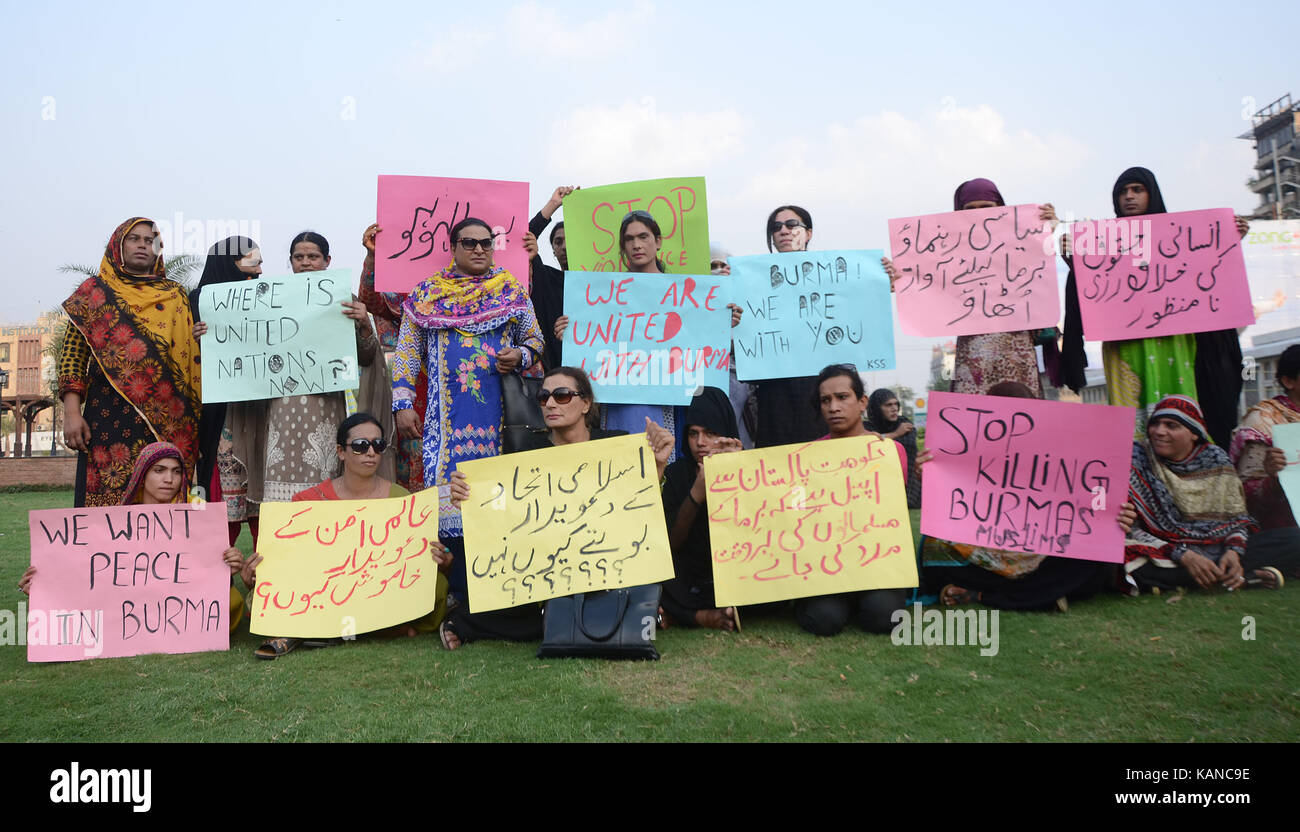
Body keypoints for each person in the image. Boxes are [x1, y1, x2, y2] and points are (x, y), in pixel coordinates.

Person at [443, 366, 675, 649]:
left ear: (586, 404)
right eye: (543, 397)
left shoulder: (616, 445)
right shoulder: (528, 451)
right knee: (521, 607)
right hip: (549, 571)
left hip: (605, 565)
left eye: (562, 395)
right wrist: (469, 497)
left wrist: (658, 468)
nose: (550, 403)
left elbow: (639, 514)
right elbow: (506, 516)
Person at [393, 217, 545, 603]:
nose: (479, 249)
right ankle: (459, 592)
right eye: (469, 242)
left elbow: (536, 339)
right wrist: (402, 404)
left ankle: (504, 592)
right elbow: (408, 354)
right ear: (453, 246)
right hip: (446, 424)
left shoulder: (511, 291)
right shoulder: (427, 295)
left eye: (486, 242)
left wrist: (521, 354)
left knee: (500, 501)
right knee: (450, 506)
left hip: (502, 423)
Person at [248, 413, 454, 659]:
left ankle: (326, 629)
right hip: (329, 588)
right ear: (341, 452)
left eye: (378, 445)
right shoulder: (308, 501)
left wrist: (444, 561)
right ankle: (376, 629)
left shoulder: (401, 498)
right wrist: (255, 574)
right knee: (257, 596)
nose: (370, 452)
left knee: (437, 587)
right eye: (360, 446)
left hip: (379, 589)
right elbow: (292, 564)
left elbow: (422, 560)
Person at [918, 381, 1137, 611]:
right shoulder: (966, 450)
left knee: (1094, 553)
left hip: (1041, 554)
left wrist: (1116, 515)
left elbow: (1095, 500)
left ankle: (985, 596)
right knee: (935, 544)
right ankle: (1044, 594)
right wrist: (930, 475)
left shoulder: (1063, 452)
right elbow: (948, 505)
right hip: (984, 554)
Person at [227, 231, 394, 511]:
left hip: (326, 408)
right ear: (290, 261)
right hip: (279, 409)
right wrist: (212, 335)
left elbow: (365, 358)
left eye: (313, 256)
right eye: (299, 257)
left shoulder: (345, 300)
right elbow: (245, 346)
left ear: (327, 260)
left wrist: (365, 325)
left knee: (325, 485)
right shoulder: (270, 300)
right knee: (279, 491)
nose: (306, 263)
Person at [555, 210, 741, 451]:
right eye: (629, 239)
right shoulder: (605, 297)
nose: (637, 245)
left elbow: (699, 339)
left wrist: (722, 322)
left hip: (674, 399)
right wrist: (569, 333)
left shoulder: (688, 294)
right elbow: (591, 345)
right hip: (623, 399)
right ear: (623, 247)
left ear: (658, 241)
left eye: (643, 236)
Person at [19, 442, 248, 631]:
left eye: (176, 472)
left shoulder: (198, 511)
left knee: (232, 600)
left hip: (182, 605)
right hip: (134, 608)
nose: (169, 479)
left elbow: (207, 570)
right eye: (159, 470)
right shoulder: (116, 522)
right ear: (142, 474)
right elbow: (91, 574)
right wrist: (44, 586)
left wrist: (228, 561)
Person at [1097, 168, 1250, 444]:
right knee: (1131, 429)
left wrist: (1230, 239)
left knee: (1177, 412)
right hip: (1126, 349)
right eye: (1122, 192)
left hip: (1175, 345)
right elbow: (1090, 289)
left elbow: (1207, 274)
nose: (1129, 197)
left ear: (1152, 193)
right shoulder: (1102, 244)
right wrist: (1072, 255)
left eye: (1137, 190)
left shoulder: (1183, 238)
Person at [58, 217, 202, 507]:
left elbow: (187, 360)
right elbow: (73, 357)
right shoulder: (93, 294)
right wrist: (72, 414)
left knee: (165, 497)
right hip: (107, 418)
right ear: (118, 246)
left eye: (149, 241)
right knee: (104, 503)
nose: (142, 245)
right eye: (134, 239)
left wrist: (198, 338)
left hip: (166, 421)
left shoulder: (174, 296)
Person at [793, 365, 912, 636]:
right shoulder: (805, 457)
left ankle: (864, 600)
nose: (834, 407)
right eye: (826, 400)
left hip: (876, 562)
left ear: (862, 402)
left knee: (884, 618)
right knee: (824, 621)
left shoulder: (890, 453)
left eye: (842, 397)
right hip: (825, 563)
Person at [1125, 395, 1281, 592]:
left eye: (1171, 426)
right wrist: (1184, 555)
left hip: (1217, 547)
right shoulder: (1137, 457)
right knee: (1118, 555)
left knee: (1290, 539)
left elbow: (1238, 520)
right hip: (1163, 550)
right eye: (1155, 424)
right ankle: (1243, 578)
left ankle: (1218, 573)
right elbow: (1132, 528)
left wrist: (1234, 552)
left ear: (1194, 434)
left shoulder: (1216, 459)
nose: (1158, 431)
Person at [190, 236, 263, 545]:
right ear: (227, 263)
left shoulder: (269, 298)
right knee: (215, 503)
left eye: (260, 261)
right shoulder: (196, 302)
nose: (259, 268)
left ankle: (270, 584)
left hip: (259, 414)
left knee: (265, 509)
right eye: (251, 260)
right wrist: (192, 338)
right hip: (217, 420)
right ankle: (216, 584)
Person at [659, 386, 744, 630]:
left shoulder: (747, 466)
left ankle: (693, 615)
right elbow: (671, 543)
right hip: (689, 577)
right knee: (656, 579)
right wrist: (697, 491)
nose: (700, 443)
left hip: (732, 568)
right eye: (693, 433)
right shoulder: (676, 474)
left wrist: (741, 469)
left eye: (710, 433)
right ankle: (706, 617)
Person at [751, 206, 827, 448]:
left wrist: (882, 277)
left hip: (818, 385)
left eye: (792, 224)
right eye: (776, 227)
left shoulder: (832, 275)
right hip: (775, 391)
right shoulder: (753, 280)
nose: (783, 231)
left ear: (809, 233)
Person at [357, 222, 425, 492]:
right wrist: (373, 256)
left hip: (457, 395)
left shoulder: (462, 293)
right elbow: (370, 300)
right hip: (407, 397)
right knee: (409, 472)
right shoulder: (398, 293)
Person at [1230, 344, 1300, 574]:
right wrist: (1274, 479)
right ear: (1289, 381)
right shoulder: (1263, 421)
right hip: (1281, 533)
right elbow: (1242, 498)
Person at [527, 185, 577, 371]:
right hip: (552, 375)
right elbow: (522, 238)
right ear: (554, 252)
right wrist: (554, 203)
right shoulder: (545, 278)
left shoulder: (604, 284)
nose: (564, 246)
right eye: (558, 241)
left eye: (571, 238)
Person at [865, 388, 920, 509]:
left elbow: (908, 448)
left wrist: (885, 439)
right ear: (876, 408)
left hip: (909, 485)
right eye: (888, 405)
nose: (894, 408)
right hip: (877, 484)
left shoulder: (903, 423)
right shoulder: (866, 427)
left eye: (896, 404)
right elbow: (867, 447)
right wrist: (895, 434)